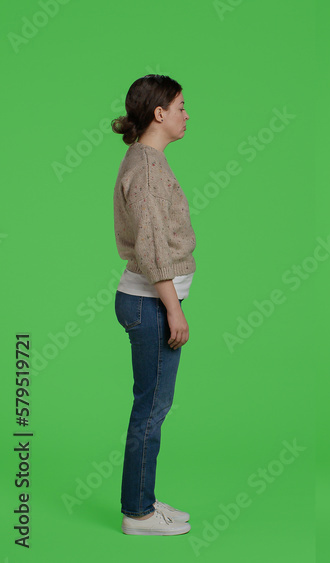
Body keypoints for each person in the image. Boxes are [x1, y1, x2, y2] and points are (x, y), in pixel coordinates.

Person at [111, 74, 195, 535]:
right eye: (181, 106)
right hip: (150, 304)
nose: (187, 114)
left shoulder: (147, 160)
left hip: (152, 302)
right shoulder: (145, 167)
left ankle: (141, 497)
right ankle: (138, 514)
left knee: (152, 404)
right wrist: (174, 308)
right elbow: (151, 246)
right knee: (152, 408)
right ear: (159, 113)